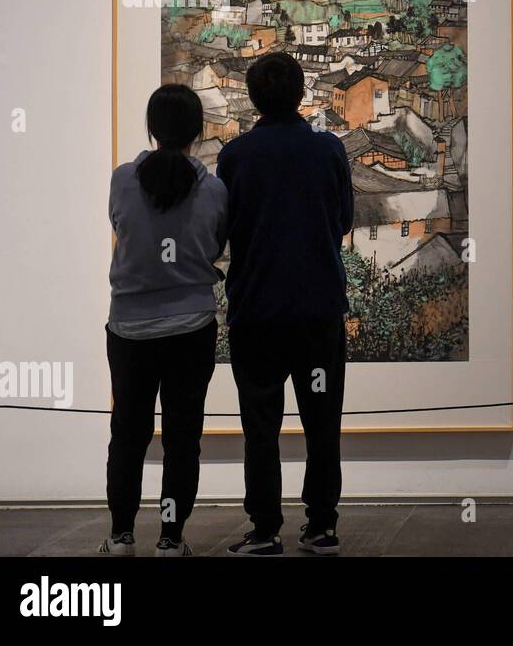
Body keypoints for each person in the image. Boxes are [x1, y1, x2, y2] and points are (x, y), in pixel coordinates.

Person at [217, 52, 353, 556]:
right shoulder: (329, 150)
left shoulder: (235, 157)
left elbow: (225, 230)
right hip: (318, 309)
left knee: (260, 426)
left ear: (254, 98)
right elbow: (342, 222)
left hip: (256, 311)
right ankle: (321, 525)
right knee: (322, 423)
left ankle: (265, 528)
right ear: (301, 94)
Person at [103, 84, 227, 557]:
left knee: (127, 434)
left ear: (150, 129)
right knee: (181, 437)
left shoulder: (121, 180)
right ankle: (171, 539)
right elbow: (213, 246)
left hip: (129, 329)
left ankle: (120, 536)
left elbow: (123, 229)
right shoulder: (213, 189)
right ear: (198, 131)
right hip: (191, 328)